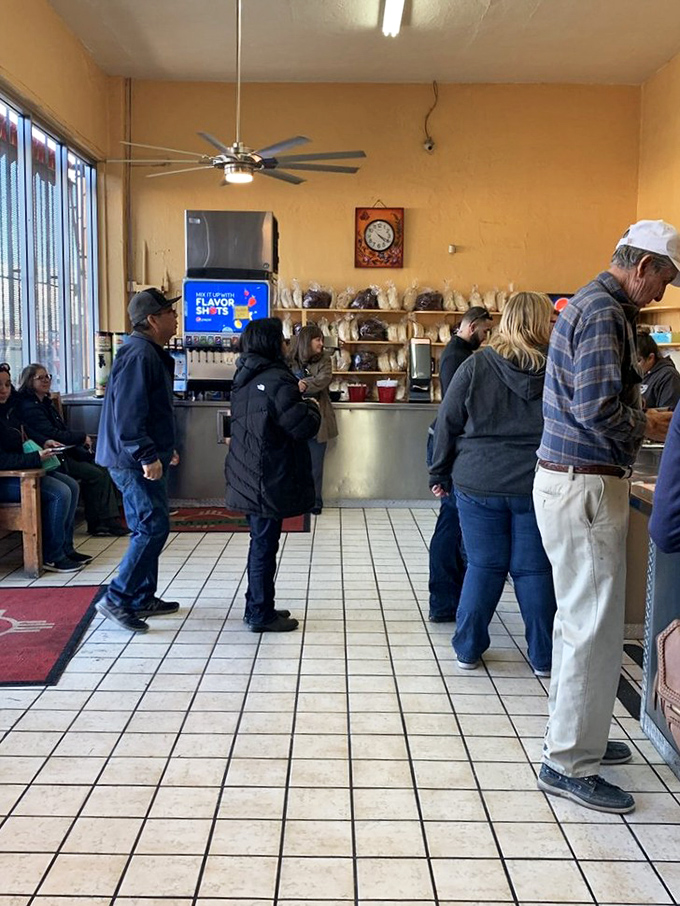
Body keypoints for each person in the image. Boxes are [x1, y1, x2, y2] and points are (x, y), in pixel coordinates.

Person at [533, 219, 677, 815]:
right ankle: (569, 762)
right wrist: (652, 424)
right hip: (586, 487)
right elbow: (596, 409)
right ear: (641, 266)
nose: (663, 294)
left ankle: (578, 734)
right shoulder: (603, 314)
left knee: (579, 623)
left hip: (571, 483)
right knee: (592, 628)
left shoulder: (592, 305)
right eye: (663, 280)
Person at [429, 293, 557, 672]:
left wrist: (439, 472)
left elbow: (448, 421)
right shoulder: (557, 370)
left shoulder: (476, 366)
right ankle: (543, 657)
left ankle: (468, 649)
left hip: (478, 482)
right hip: (536, 483)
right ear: (537, 324)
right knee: (533, 570)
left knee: (484, 566)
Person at [226, 317, 321, 632]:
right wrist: (313, 408)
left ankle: (259, 604)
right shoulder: (278, 379)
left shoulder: (244, 376)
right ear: (271, 344)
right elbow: (301, 425)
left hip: (250, 471)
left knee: (261, 543)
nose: (285, 344)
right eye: (281, 338)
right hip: (266, 475)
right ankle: (259, 613)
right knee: (265, 545)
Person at [95, 288, 181, 632]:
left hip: (141, 455)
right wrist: (146, 453)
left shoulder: (148, 351)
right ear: (152, 320)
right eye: (170, 313)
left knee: (152, 524)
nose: (176, 318)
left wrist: (164, 447)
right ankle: (117, 598)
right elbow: (129, 415)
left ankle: (142, 596)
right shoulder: (139, 355)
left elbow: (151, 411)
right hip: (131, 460)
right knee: (152, 527)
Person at [427, 306, 494, 623]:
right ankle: (443, 601)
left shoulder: (458, 352)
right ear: (473, 326)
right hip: (454, 448)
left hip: (452, 447)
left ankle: (450, 599)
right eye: (485, 330)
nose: (486, 337)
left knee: (454, 527)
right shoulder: (459, 358)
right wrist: (441, 468)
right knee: (451, 527)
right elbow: (455, 414)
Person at [15, 364, 129, 537]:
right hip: (53, 457)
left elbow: (60, 431)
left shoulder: (44, 402)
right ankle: (102, 522)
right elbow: (51, 433)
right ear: (29, 381)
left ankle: (107, 520)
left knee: (103, 467)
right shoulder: (29, 406)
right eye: (41, 377)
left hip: (64, 451)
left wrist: (77, 439)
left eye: (48, 376)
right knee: (96, 474)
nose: (46, 380)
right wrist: (81, 437)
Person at [0, 364, 90, 572]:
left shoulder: (9, 411)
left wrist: (45, 442)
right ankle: (53, 555)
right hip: (8, 479)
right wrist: (35, 457)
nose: (4, 390)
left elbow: (27, 432)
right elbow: (2, 460)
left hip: (24, 470)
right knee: (60, 493)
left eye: (7, 384)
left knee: (71, 486)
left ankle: (66, 548)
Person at [288, 324, 338, 514]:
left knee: (315, 464)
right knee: (293, 462)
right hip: (293, 418)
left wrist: (301, 384)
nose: (321, 343)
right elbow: (282, 379)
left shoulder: (325, 359)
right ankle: (294, 499)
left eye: (322, 339)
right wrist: (297, 384)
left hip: (318, 417)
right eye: (317, 339)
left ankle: (315, 501)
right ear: (306, 342)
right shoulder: (290, 360)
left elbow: (324, 379)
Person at [637, 332, 680, 410]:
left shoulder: (668, 376)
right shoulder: (639, 373)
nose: (632, 366)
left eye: (638, 360)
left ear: (650, 358)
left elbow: (668, 415)